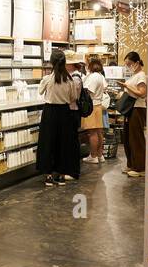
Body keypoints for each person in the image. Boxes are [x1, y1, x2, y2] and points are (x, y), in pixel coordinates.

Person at [36, 49, 81, 186]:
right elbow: (74, 98)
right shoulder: (70, 80)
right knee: (63, 143)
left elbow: (40, 91)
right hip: (64, 112)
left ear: (51, 62)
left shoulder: (47, 79)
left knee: (48, 142)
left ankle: (48, 175)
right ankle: (62, 174)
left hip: (50, 113)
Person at [121, 52, 148, 177]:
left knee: (136, 138)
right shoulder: (135, 75)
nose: (128, 66)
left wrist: (126, 86)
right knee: (128, 138)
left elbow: (142, 93)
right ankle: (132, 164)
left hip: (138, 108)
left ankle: (140, 167)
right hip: (131, 109)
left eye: (129, 64)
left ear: (137, 63)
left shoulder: (141, 75)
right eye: (126, 64)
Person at [80, 57, 108, 164]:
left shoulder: (92, 77)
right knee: (99, 132)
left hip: (91, 106)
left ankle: (93, 156)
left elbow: (88, 91)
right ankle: (100, 155)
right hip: (98, 106)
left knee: (92, 133)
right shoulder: (101, 76)